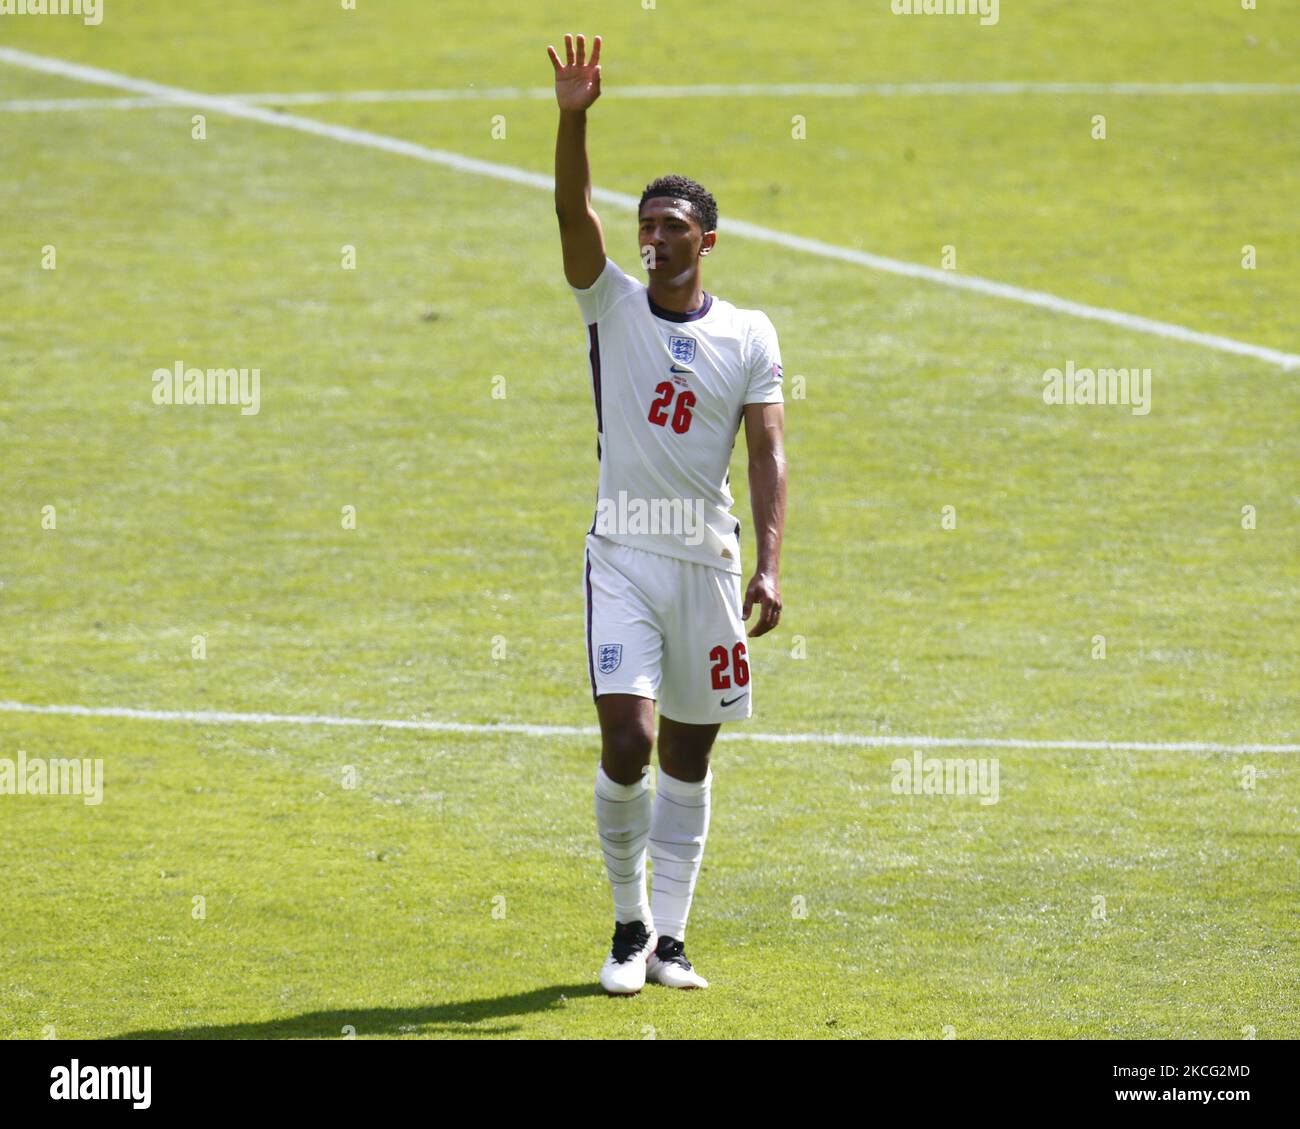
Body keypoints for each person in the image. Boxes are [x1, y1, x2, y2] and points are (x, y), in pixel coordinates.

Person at [548, 33, 788, 995]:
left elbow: (768, 452)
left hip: (708, 566)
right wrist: (574, 120)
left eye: (673, 225)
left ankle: (674, 940)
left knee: (689, 752)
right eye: (646, 222)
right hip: (624, 559)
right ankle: (626, 923)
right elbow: (572, 212)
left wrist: (769, 564)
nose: (654, 236)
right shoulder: (609, 304)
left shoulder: (749, 332)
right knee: (630, 740)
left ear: (707, 239)